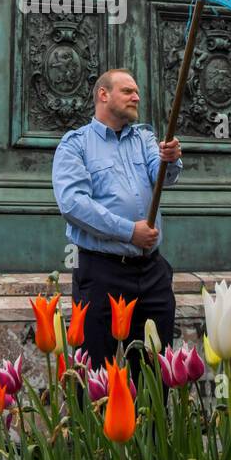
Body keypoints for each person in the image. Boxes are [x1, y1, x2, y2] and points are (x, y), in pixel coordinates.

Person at [51, 68, 182, 379]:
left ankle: (151, 428)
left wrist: (171, 158)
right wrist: (129, 232)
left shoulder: (145, 138)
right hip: (101, 272)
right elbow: (73, 204)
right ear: (103, 94)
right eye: (128, 91)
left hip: (151, 271)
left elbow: (163, 175)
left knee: (156, 370)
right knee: (96, 371)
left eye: (137, 91)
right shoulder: (75, 145)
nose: (136, 96)